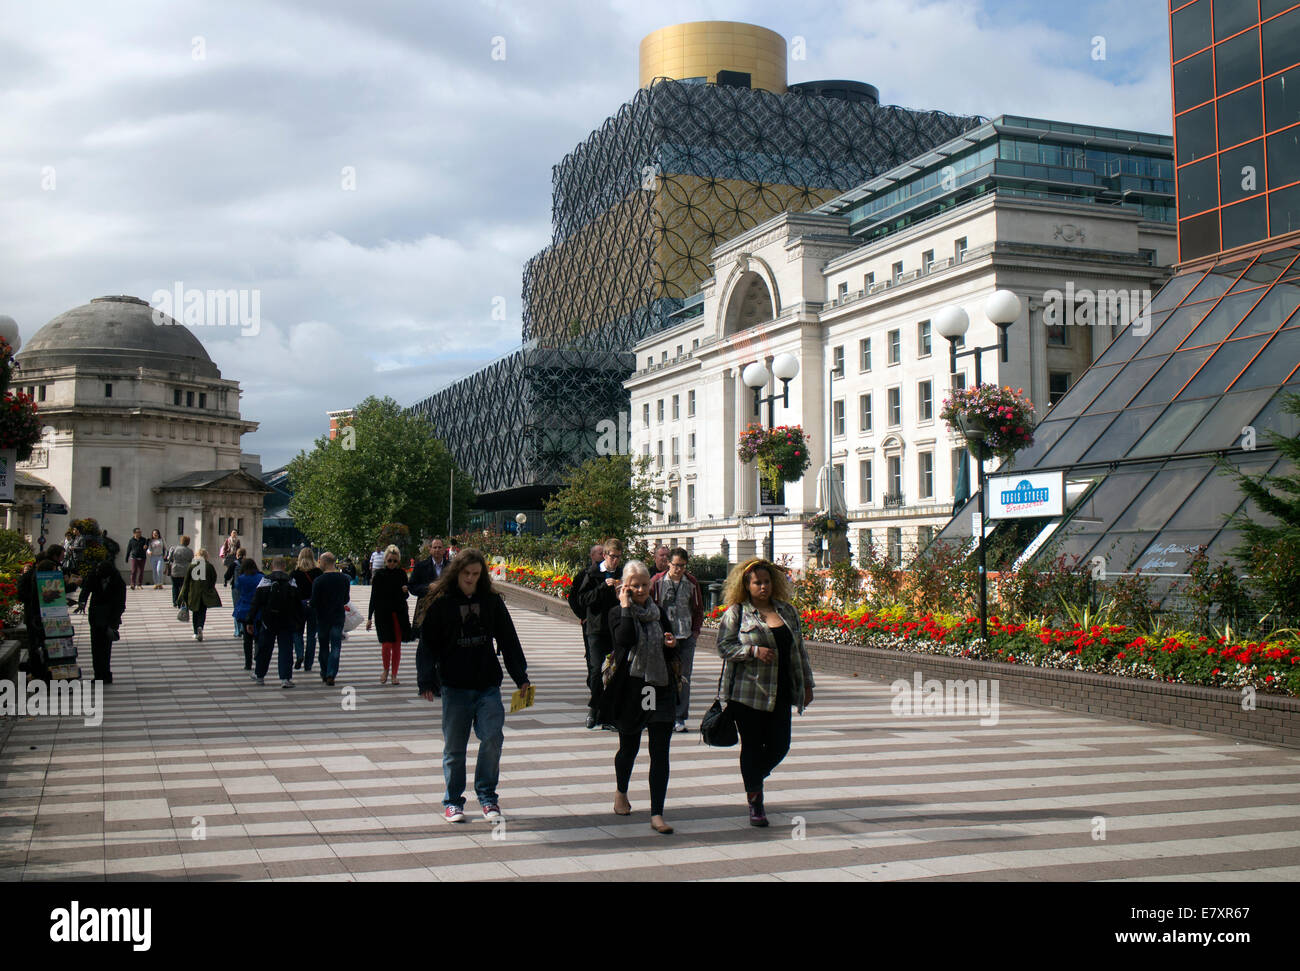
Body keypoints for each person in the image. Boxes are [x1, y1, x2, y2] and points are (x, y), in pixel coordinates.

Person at [418, 548, 528, 823]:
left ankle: (488, 797)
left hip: (487, 682)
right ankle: (453, 801)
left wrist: (521, 677)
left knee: (492, 737)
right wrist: (426, 679)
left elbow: (508, 639)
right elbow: (427, 644)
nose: (470, 579)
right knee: (455, 747)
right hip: (454, 685)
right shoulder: (442, 602)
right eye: (466, 574)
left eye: (476, 574)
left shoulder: (491, 601)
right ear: (457, 573)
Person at [715, 558, 815, 827]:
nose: (763, 587)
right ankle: (756, 802)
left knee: (780, 746)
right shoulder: (737, 612)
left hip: (780, 691)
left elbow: (799, 651)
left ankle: (754, 779)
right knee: (752, 746)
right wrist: (753, 651)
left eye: (767, 581)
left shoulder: (787, 611)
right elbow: (724, 647)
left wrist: (807, 684)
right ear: (746, 585)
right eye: (757, 582)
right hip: (748, 693)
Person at [598, 559, 678, 835]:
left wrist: (671, 645)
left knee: (660, 752)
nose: (642, 589)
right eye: (635, 585)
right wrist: (625, 606)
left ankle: (657, 813)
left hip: (659, 686)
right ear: (625, 586)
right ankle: (621, 791)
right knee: (629, 747)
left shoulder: (659, 612)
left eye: (645, 584)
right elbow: (625, 640)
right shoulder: (616, 613)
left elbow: (670, 649)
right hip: (632, 689)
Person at [651, 547, 704, 733]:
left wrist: (695, 631)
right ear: (668, 563)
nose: (679, 569)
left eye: (682, 566)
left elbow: (698, 609)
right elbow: (649, 604)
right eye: (675, 565)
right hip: (663, 636)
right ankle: (655, 714)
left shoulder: (691, 582)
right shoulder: (657, 582)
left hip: (685, 636)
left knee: (683, 677)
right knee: (658, 675)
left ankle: (680, 717)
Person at [574, 538, 624, 730]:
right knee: (595, 671)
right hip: (595, 629)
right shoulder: (592, 573)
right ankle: (594, 708)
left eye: (619, 557)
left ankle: (608, 714)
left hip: (615, 629)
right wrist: (604, 586)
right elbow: (582, 599)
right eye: (613, 556)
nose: (616, 560)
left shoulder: (622, 574)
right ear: (605, 555)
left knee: (613, 671)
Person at [249, 556, 303, 688]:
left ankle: (260, 675)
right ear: (284, 567)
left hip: (268, 621)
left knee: (265, 648)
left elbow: (256, 602)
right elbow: (298, 603)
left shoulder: (265, 580)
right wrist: (299, 622)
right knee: (285, 649)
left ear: (272, 566)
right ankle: (285, 678)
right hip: (286, 621)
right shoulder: (291, 581)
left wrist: (249, 621)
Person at [77, 555, 127, 683]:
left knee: (106, 647)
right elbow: (86, 589)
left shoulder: (118, 581)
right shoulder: (95, 576)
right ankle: (98, 674)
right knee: (95, 647)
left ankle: (105, 674)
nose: (98, 573)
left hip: (110, 617)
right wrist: (82, 602)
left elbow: (121, 603)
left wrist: (114, 621)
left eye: (101, 573)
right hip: (95, 615)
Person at [366, 545, 411, 685]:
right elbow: (373, 597)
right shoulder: (379, 575)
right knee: (386, 644)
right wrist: (369, 618)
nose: (392, 563)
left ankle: (394, 674)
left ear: (398, 561)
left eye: (395, 561)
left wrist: (405, 591)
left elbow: (406, 596)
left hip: (398, 614)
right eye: (390, 560)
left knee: (396, 645)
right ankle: (386, 669)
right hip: (382, 614)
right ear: (385, 560)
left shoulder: (402, 574)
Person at [310, 552, 351, 686]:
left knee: (323, 645)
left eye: (319, 561)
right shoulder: (344, 579)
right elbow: (346, 599)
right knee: (336, 645)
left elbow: (314, 601)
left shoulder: (318, 581)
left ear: (324, 562)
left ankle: (324, 670)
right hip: (338, 616)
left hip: (322, 617)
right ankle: (331, 673)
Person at [178, 549, 221, 641]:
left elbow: (186, 582)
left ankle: (195, 632)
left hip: (193, 593)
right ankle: (200, 626)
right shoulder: (209, 566)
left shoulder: (192, 565)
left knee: (195, 612)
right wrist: (209, 587)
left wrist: (183, 595)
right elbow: (213, 579)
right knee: (202, 612)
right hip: (204, 593)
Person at [291, 548, 323, 672]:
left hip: (299, 606)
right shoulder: (318, 572)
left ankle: (299, 654)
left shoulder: (295, 573)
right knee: (311, 635)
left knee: (297, 632)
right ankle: (308, 664)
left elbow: (291, 591)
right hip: (313, 605)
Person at [233, 558, 263, 670]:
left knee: (247, 638)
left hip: (245, 609)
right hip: (258, 610)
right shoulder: (260, 577)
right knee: (258, 636)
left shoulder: (241, 579)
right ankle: (258, 655)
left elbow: (238, 588)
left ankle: (248, 663)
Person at [168, 535, 194, 607]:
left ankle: (175, 601)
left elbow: (169, 558)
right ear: (188, 542)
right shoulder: (190, 551)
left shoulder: (173, 548)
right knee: (184, 586)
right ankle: (182, 600)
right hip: (185, 570)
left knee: (175, 586)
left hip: (175, 569)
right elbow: (192, 560)